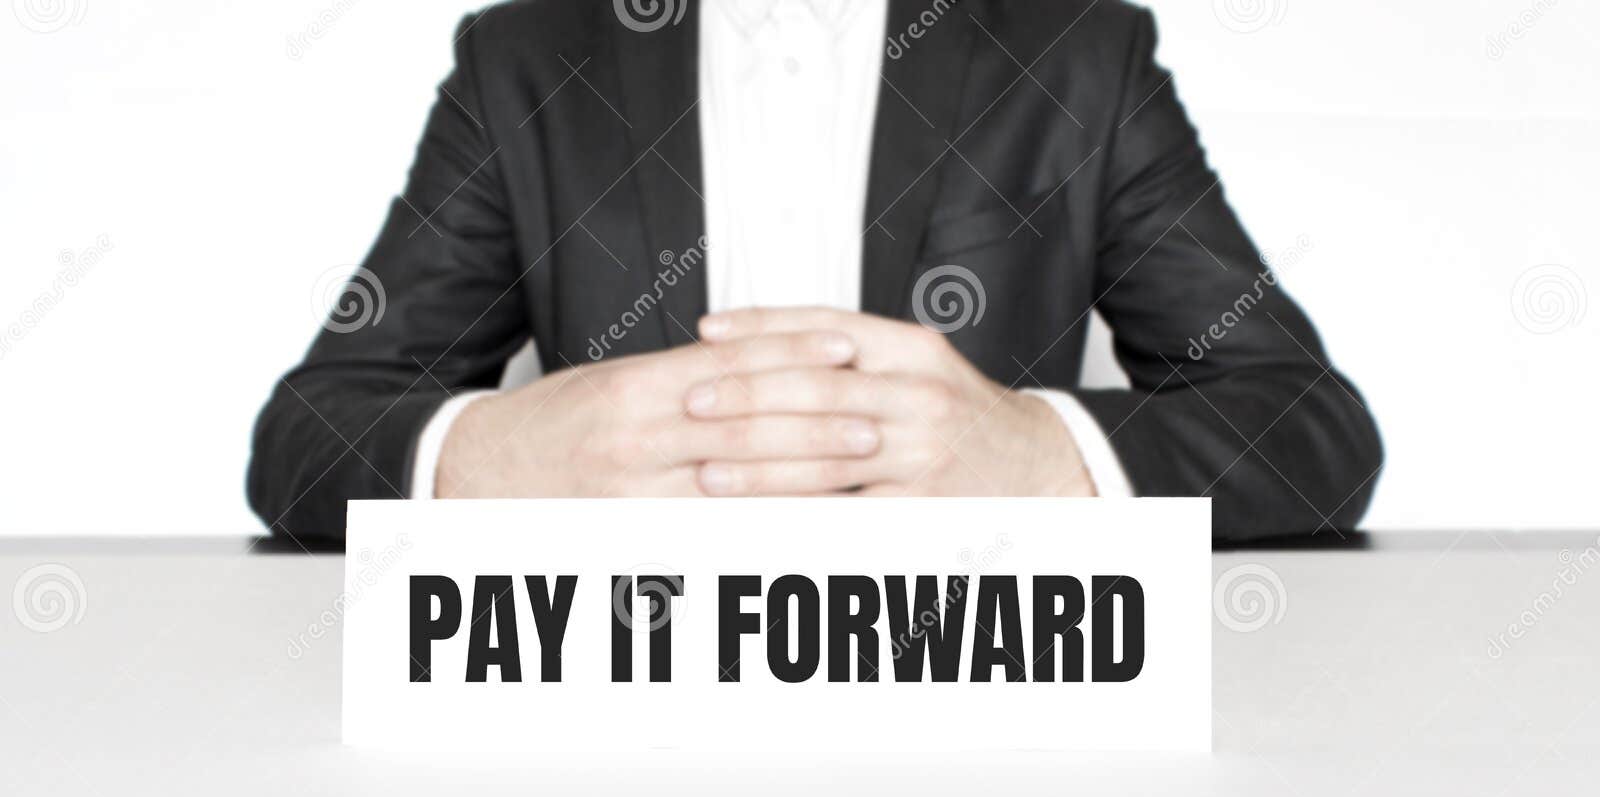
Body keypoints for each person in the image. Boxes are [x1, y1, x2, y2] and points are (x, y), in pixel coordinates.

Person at [247, 0, 1383, 542]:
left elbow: (1311, 431)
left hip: (991, 751)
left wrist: (1042, 454)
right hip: (611, 753)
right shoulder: (526, 62)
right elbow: (306, 433)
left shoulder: (1076, 53)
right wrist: (488, 456)